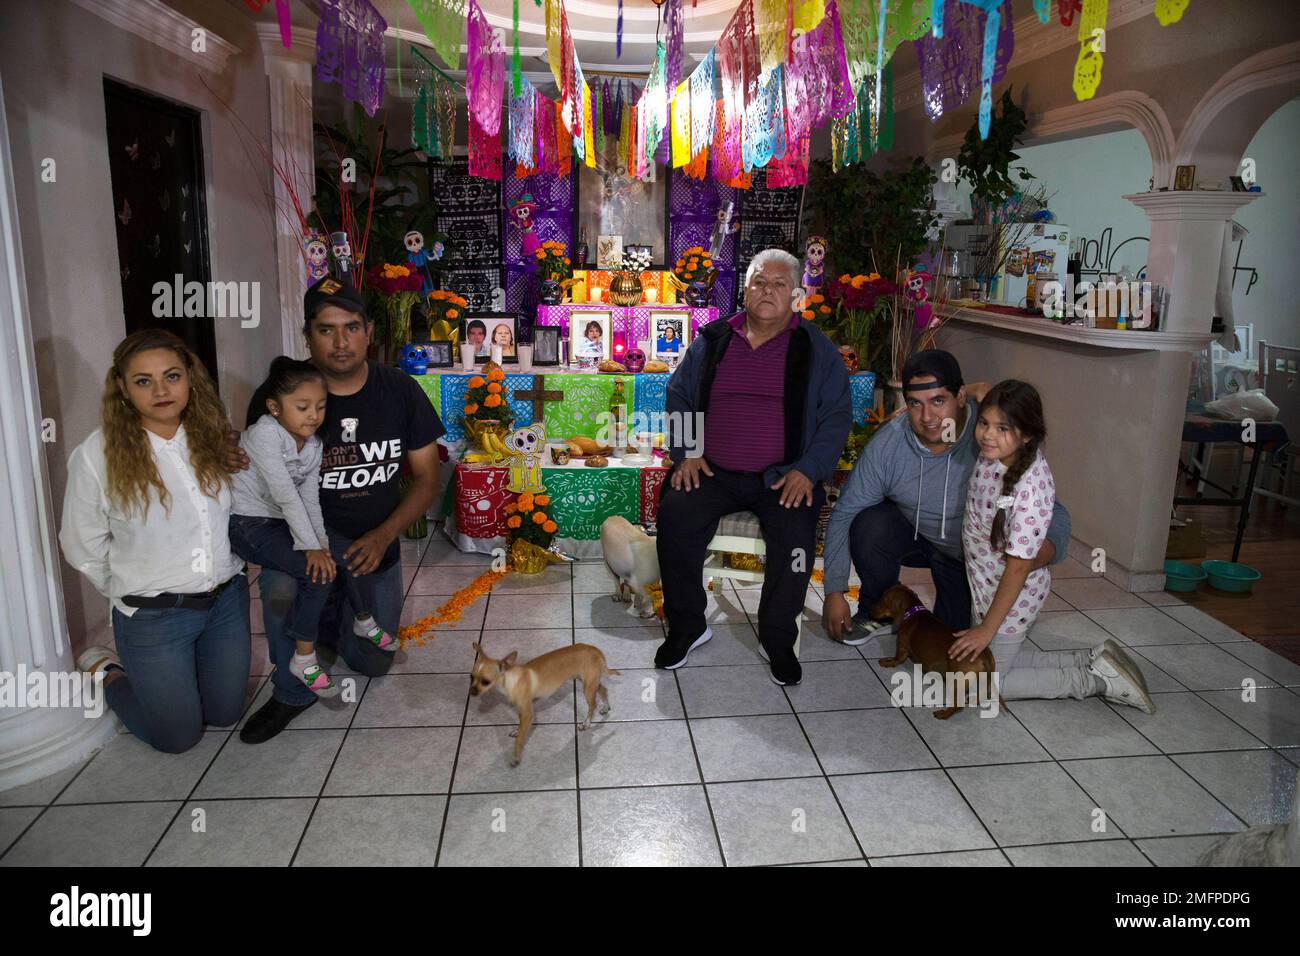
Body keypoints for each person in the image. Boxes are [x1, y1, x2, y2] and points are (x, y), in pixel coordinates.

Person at [229, 276, 444, 743]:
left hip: (373, 548)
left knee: (373, 663)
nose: (341, 341)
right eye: (326, 330)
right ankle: (290, 692)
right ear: (307, 336)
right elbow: (259, 474)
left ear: (369, 331)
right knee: (285, 586)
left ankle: (332, 614)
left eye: (351, 327)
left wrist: (385, 535)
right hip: (301, 542)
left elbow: (428, 477)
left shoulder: (399, 389)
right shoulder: (279, 393)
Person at [656, 249, 852, 685]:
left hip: (784, 475)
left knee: (796, 537)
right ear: (745, 289)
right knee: (675, 514)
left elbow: (837, 415)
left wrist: (809, 468)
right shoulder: (713, 340)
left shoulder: (815, 348)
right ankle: (689, 626)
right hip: (713, 470)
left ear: (796, 295)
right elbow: (679, 395)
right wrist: (687, 451)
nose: (768, 291)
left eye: (780, 284)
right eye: (760, 282)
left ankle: (778, 637)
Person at [61, 330, 250, 753]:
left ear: (189, 380)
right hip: (154, 617)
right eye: (143, 381)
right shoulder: (98, 454)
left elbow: (236, 513)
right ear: (123, 390)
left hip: (225, 603)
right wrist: (128, 589)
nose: (161, 390)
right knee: (178, 738)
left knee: (224, 713)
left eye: (172, 376)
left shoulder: (211, 436)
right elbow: (80, 542)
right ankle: (108, 671)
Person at [821, 350, 1072, 645]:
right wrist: (834, 591)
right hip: (918, 534)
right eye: (915, 404)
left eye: (938, 401)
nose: (927, 417)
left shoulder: (989, 436)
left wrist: (1042, 551)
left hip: (970, 560)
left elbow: (1051, 509)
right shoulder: (889, 445)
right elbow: (843, 514)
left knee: (942, 650)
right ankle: (882, 609)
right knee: (868, 523)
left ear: (962, 396)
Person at [950, 380, 1154, 711]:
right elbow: (984, 391)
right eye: (984, 424)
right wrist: (970, 390)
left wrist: (987, 629)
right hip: (986, 589)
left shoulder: (1030, 487)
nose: (988, 434)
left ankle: (1096, 681)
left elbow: (1018, 567)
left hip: (1011, 600)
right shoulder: (997, 453)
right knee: (991, 665)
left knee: (978, 688)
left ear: (1028, 434)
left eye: (1003, 428)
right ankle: (1091, 659)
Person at [229, 357, 398, 701]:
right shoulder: (264, 433)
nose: (313, 415)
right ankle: (303, 658)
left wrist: (320, 541)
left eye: (320, 407)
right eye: (302, 406)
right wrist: (312, 549)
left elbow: (309, 498)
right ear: (275, 408)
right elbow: (285, 494)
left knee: (345, 552)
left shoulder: (314, 443)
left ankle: (362, 620)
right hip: (251, 524)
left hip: (283, 519)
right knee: (317, 572)